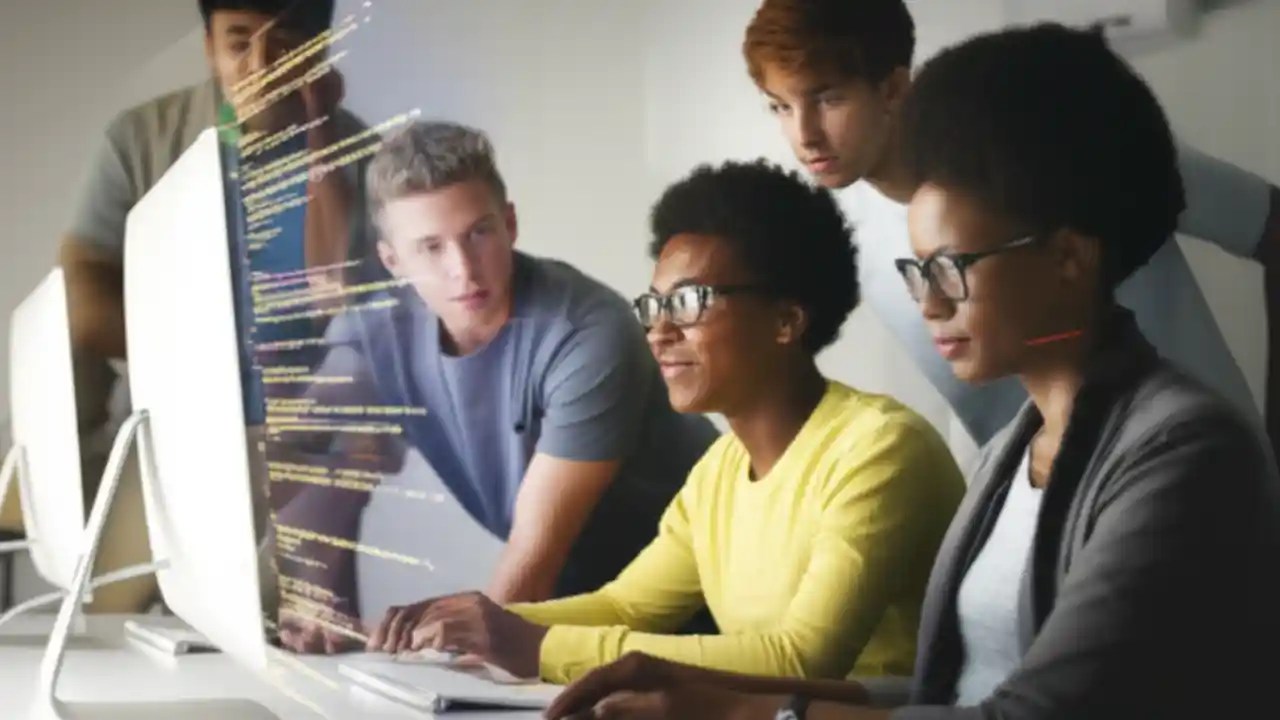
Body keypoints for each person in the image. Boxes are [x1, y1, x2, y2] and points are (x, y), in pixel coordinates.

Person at [539, 24, 1280, 720]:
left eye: (952, 268)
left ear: (1067, 257)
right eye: (917, 270)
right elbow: (944, 691)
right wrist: (693, 682)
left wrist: (752, 709)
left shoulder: (1188, 450)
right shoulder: (1009, 451)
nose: (927, 300)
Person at [363, 159, 966, 686]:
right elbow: (625, 606)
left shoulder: (880, 450)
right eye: (655, 305)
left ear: (786, 320)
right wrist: (471, 622)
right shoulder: (719, 473)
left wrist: (540, 646)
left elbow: (802, 659)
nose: (659, 331)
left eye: (691, 302)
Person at [742, 0, 1280, 459]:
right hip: (1060, 522)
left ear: (893, 89)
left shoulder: (1052, 133)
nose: (804, 135)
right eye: (779, 107)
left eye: (828, 98)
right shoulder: (852, 232)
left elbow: (1270, 223)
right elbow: (986, 397)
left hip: (1210, 475)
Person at [281, 119, 719, 638]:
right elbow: (298, 463)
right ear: (392, 261)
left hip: (706, 607)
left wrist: (409, 642)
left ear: (510, 223)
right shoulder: (373, 335)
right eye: (431, 247)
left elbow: (531, 568)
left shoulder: (586, 332)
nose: (464, 269)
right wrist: (318, 607)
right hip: (578, 613)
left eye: (479, 233)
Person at [21, 0, 371, 615]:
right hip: (163, 436)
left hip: (300, 449)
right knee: (112, 628)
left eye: (285, 42)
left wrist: (318, 139)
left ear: (321, 47)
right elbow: (81, 287)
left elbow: (349, 298)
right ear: (207, 45)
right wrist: (197, 364)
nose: (261, 65)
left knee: (297, 649)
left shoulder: (364, 156)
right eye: (239, 42)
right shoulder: (140, 137)